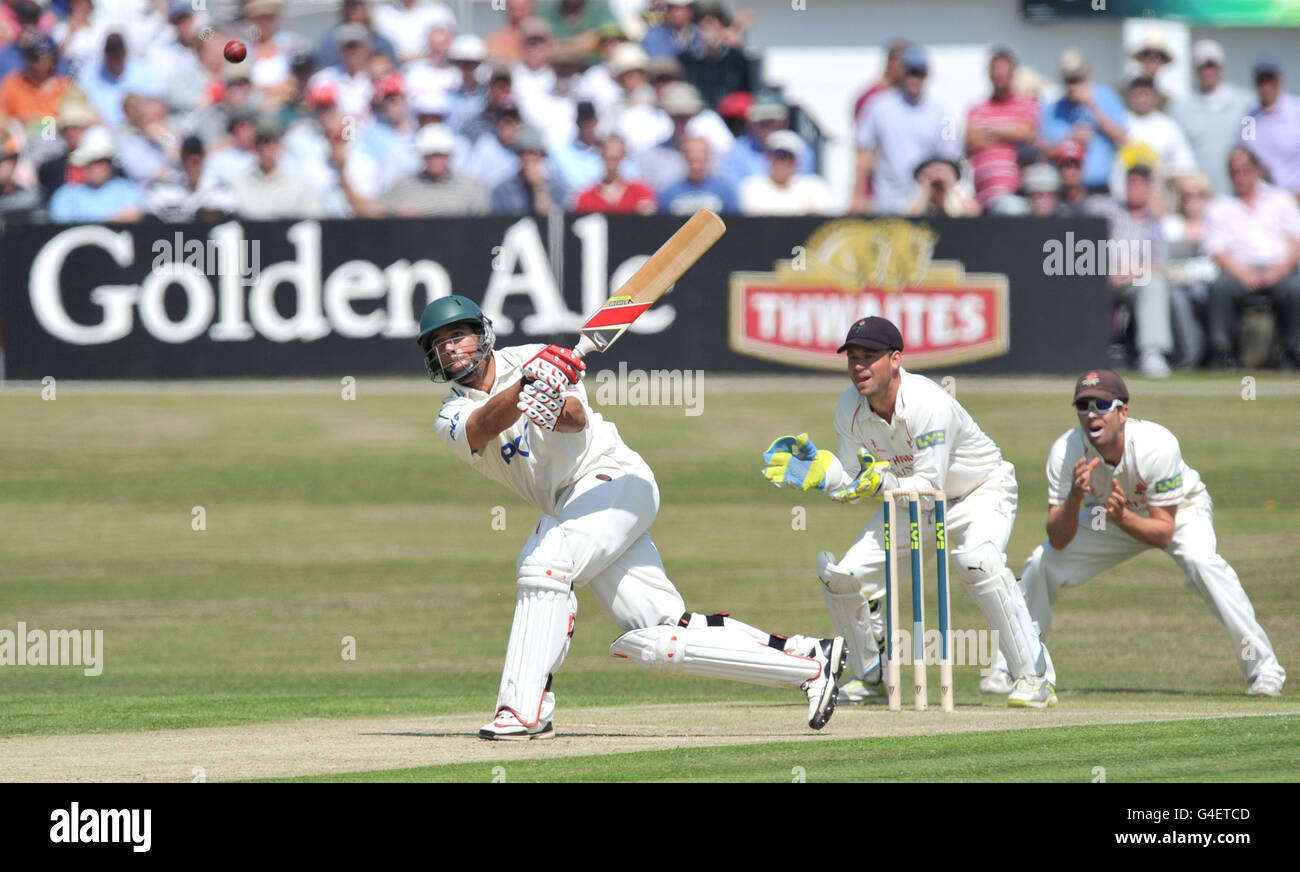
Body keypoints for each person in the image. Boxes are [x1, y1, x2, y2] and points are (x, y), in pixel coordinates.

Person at [420, 295, 847, 739]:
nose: (450, 349)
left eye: (458, 336)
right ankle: (809, 662)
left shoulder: (534, 356)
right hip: (574, 509)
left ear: (482, 334)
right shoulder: (450, 415)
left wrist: (549, 400)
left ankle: (524, 709)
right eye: (438, 344)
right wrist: (525, 388)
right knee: (661, 637)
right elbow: (484, 425)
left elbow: (576, 420)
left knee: (546, 561)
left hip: (614, 479)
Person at [761, 316, 1056, 708]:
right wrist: (822, 473)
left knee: (978, 562)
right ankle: (873, 677)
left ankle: (1035, 677)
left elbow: (928, 481)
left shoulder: (928, 402)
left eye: (870, 357)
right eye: (852, 358)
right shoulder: (849, 406)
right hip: (910, 501)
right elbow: (852, 476)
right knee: (842, 578)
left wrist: (879, 483)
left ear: (895, 359)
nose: (859, 367)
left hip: (979, 491)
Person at [981, 370, 1285, 699]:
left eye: (1101, 404)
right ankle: (1015, 668)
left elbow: (1164, 533)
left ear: (1123, 411)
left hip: (1179, 513)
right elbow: (1058, 539)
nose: (1091, 413)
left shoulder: (1157, 445)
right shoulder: (1066, 452)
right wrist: (1074, 499)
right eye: (1083, 406)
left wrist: (1123, 515)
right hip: (1108, 517)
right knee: (1041, 563)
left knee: (1205, 564)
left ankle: (1265, 671)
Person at [1203, 147, 1300, 368]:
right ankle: (1222, 354)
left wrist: (1278, 271)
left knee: (1295, 289)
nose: (1241, 177)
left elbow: (1296, 242)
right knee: (1221, 288)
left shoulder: (1280, 200)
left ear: (1257, 171)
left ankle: (1292, 353)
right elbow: (1218, 250)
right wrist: (1244, 274)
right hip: (1238, 272)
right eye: (1235, 172)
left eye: (1245, 171)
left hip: (1279, 269)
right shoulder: (1220, 206)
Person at [854, 45, 959, 215]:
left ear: (927, 75)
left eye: (919, 72)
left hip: (927, 206)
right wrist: (857, 197)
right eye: (910, 72)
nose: (914, 78)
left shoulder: (945, 115)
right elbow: (864, 154)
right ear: (901, 72)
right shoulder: (878, 107)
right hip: (886, 203)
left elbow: (949, 160)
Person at [1091, 162, 1173, 378]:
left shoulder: (1155, 224)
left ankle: (1152, 353)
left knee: (1153, 283)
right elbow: (1085, 231)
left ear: (1149, 189)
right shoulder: (1107, 210)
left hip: (1135, 279)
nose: (1134, 188)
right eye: (1131, 183)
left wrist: (1134, 272)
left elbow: (1161, 265)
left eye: (1140, 184)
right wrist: (1104, 270)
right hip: (1099, 276)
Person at [1170, 40, 1253, 201]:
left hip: (1237, 197)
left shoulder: (1246, 104)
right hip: (1197, 199)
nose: (1207, 71)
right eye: (1202, 66)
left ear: (1221, 67)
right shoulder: (1180, 108)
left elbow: (1252, 147)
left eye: (1211, 65)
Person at [1041, 49, 1127, 195]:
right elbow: (1045, 152)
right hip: (1065, 191)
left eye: (1078, 78)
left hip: (1100, 187)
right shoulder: (1053, 108)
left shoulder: (1107, 97)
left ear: (1088, 74)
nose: (1074, 84)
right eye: (1069, 79)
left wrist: (1092, 107)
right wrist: (1069, 140)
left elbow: (1122, 137)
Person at [965, 47, 1039, 213]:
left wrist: (988, 130)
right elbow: (972, 140)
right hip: (983, 199)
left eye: (1004, 70)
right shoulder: (976, 109)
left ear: (1013, 73)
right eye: (996, 70)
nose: (1000, 75)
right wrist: (1010, 132)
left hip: (1015, 196)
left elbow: (1027, 132)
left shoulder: (1026, 104)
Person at [381, 122, 487, 217]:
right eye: (430, 154)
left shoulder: (470, 187)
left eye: (439, 154)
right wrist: (396, 211)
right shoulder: (404, 184)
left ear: (449, 155)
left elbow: (481, 221)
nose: (435, 160)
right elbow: (376, 208)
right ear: (422, 156)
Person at [1242, 58, 1300, 200]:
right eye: (1261, 81)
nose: (1265, 86)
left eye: (1269, 80)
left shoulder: (1296, 111)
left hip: (1296, 196)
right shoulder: (1249, 119)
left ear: (1279, 80)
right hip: (1264, 201)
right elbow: (1243, 156)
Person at [574, 133, 656, 213]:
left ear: (623, 155)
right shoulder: (586, 198)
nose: (612, 156)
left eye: (617, 152)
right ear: (601, 154)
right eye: (608, 150)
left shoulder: (640, 193)